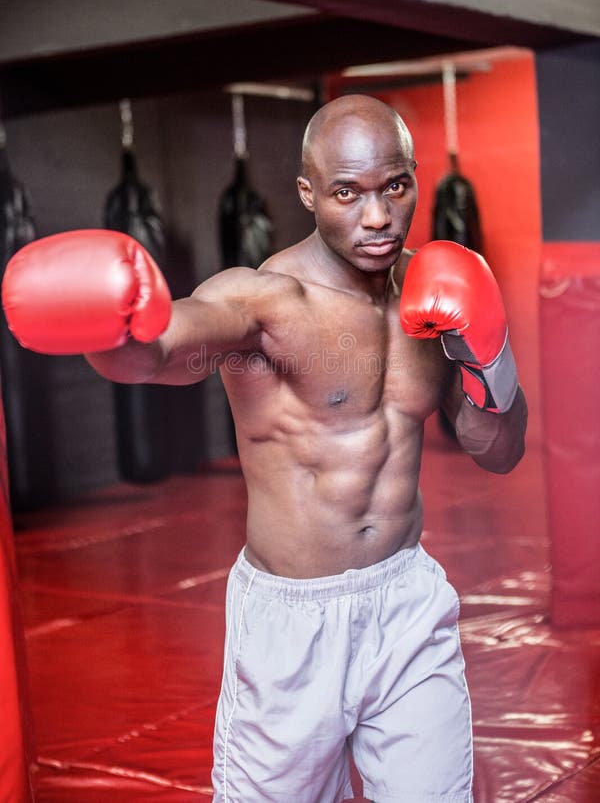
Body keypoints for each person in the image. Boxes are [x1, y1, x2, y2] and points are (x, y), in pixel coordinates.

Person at [2, 95, 527, 803]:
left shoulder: (434, 296)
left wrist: (490, 365)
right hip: (292, 625)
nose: (376, 218)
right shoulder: (263, 304)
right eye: (347, 193)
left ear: (412, 177)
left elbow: (498, 451)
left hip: (408, 602)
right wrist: (108, 327)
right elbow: (154, 354)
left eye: (393, 188)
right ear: (308, 193)